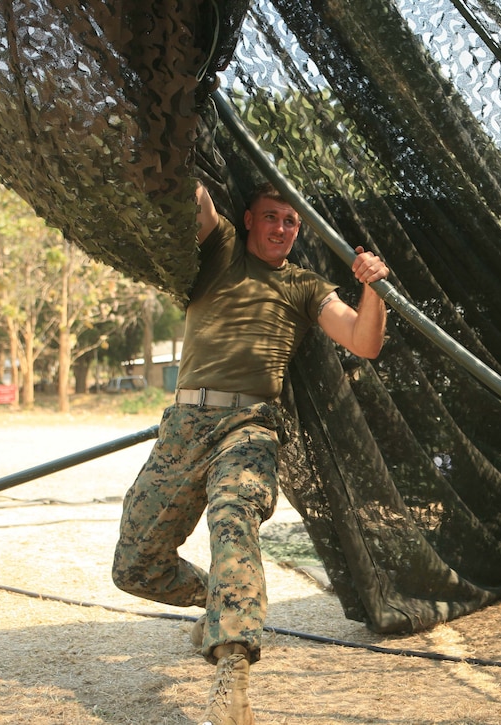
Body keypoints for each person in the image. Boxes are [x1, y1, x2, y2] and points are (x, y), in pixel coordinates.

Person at [112, 180, 389, 725]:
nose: (281, 228)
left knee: (234, 517)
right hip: (184, 425)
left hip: (251, 423)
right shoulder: (220, 252)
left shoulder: (306, 286)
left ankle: (232, 670)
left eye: (290, 219)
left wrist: (373, 288)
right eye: (271, 216)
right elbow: (194, 199)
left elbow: (364, 341)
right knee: (135, 565)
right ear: (248, 219)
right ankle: (221, 603)